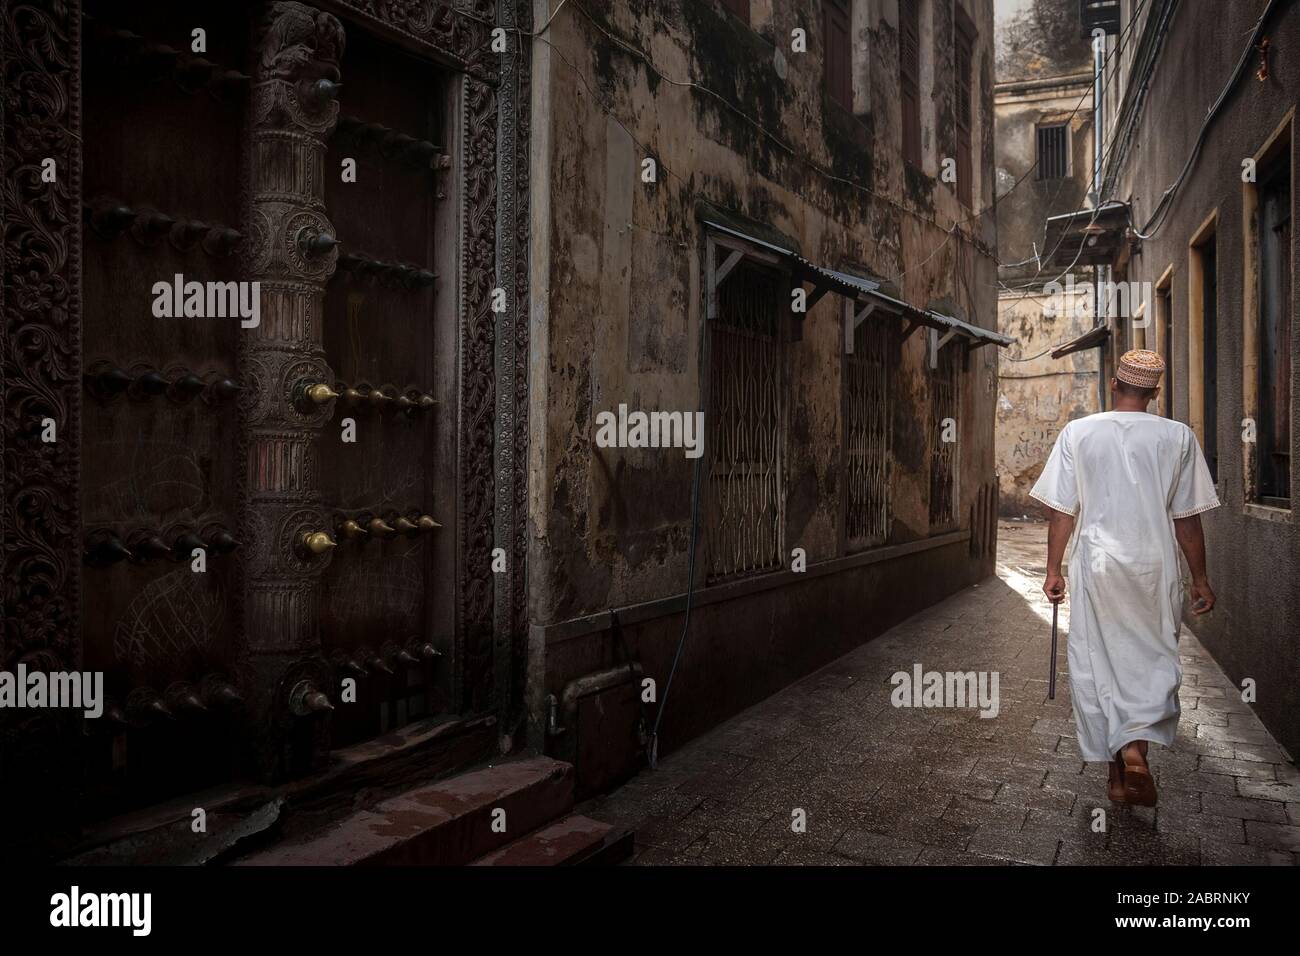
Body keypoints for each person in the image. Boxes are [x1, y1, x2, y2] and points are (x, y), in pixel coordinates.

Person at [1028, 349, 1219, 806]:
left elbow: (1061, 511)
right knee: (1150, 659)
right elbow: (1187, 520)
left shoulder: (1080, 431)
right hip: (1155, 567)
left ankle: (1118, 771)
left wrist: (1054, 570)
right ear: (1156, 393)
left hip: (1097, 564)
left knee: (1101, 661)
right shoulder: (1178, 438)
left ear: (1114, 385)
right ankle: (1137, 751)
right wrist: (1200, 578)